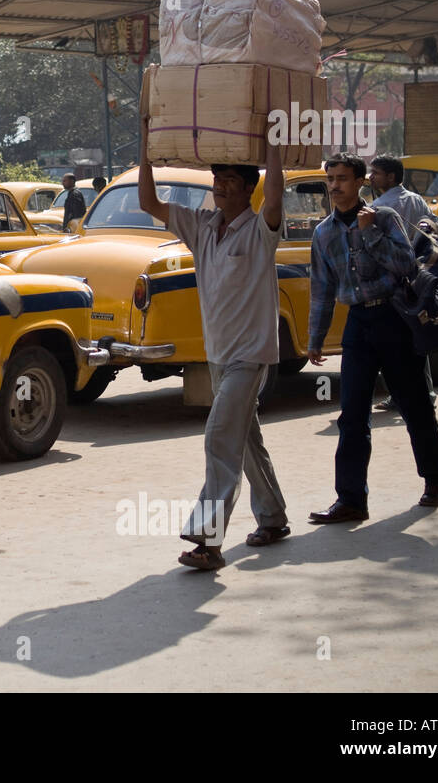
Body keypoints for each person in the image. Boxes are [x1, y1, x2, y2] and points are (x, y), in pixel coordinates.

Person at [138, 144, 290, 571]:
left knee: (219, 437)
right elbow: (149, 202)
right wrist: (147, 146)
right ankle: (273, 519)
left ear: (247, 190)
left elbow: (275, 197)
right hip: (219, 356)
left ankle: (208, 540)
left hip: (250, 357)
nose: (219, 186)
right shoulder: (202, 226)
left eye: (229, 181)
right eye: (216, 179)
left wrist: (273, 148)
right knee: (244, 440)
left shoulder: (261, 230)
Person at [306, 153, 438, 525]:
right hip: (358, 324)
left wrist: (369, 233)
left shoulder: (385, 219)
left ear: (359, 183)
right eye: (331, 179)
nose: (335, 185)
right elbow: (322, 289)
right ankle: (351, 499)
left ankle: (434, 479)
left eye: (342, 178)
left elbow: (406, 266)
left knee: (415, 404)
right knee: (352, 414)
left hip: (394, 318)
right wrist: (316, 338)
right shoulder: (323, 232)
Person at [367, 156, 437, 411]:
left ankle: (400, 393)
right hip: (417, 276)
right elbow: (434, 227)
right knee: (415, 335)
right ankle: (424, 392)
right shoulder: (416, 200)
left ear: (392, 177)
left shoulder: (379, 207)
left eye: (376, 173)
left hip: (391, 279)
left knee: (390, 339)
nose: (371, 177)